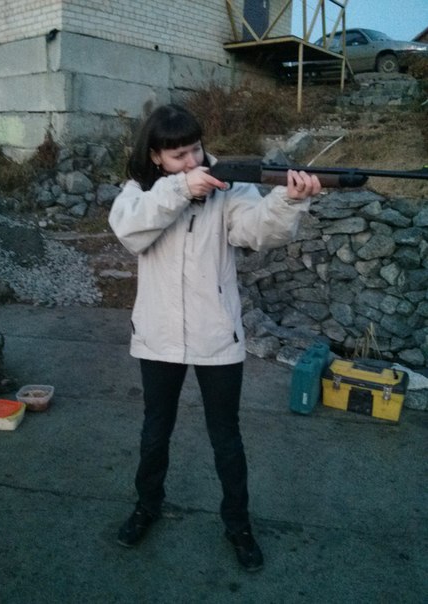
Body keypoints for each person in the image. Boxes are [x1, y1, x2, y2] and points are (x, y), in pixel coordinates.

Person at [108, 103, 321, 572]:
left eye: (196, 150)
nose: (192, 161)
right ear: (156, 157)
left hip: (217, 334)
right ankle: (146, 506)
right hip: (158, 335)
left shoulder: (227, 186)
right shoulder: (139, 192)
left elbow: (255, 231)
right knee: (154, 432)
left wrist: (287, 201)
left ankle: (238, 525)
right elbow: (130, 232)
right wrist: (181, 189)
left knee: (226, 437)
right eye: (178, 155)